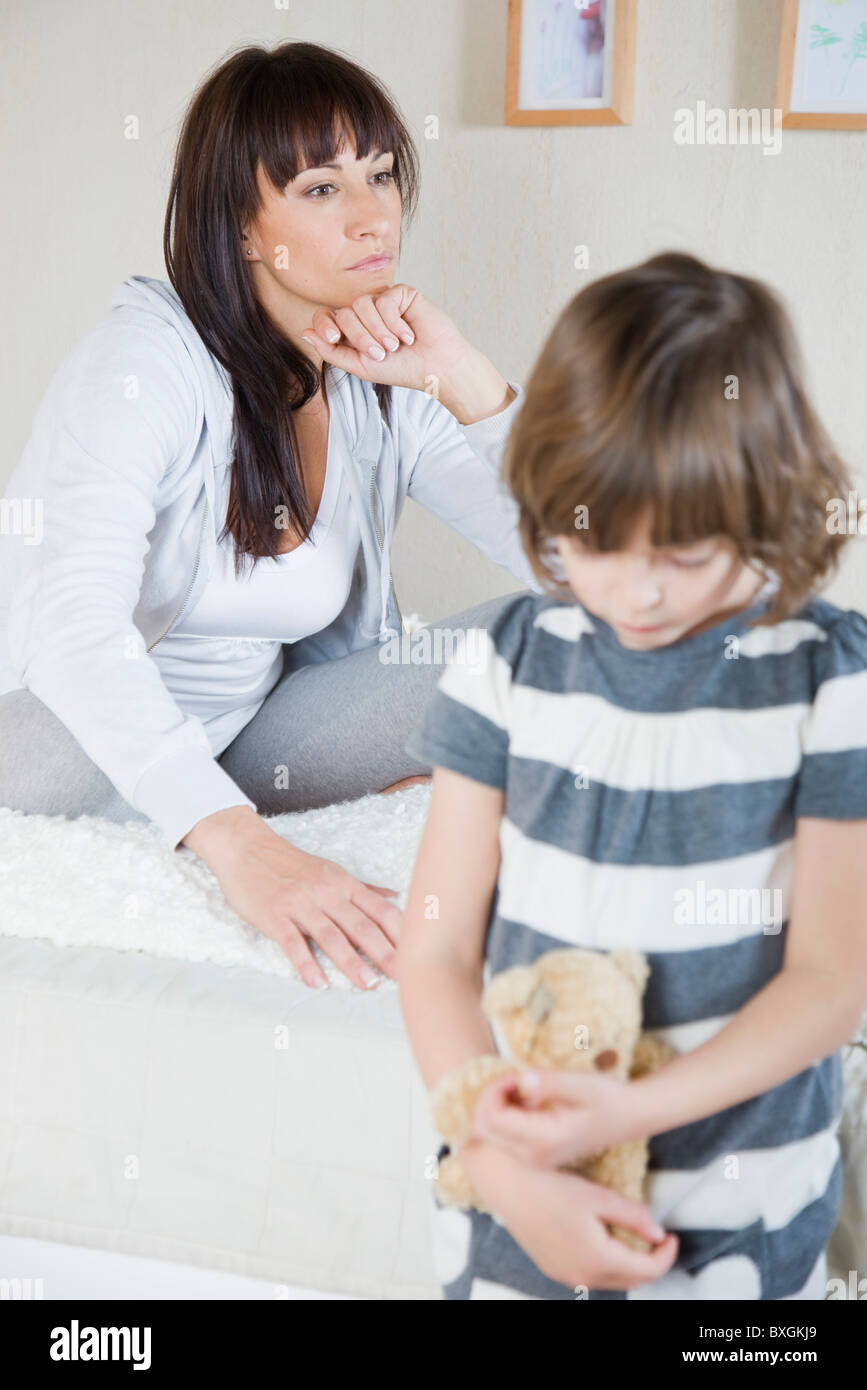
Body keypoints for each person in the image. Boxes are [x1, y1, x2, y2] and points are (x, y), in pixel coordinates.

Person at [0, 41, 544, 991]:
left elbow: (597, 570)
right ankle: (185, 819)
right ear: (244, 227)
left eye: (380, 176)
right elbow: (73, 630)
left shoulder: (387, 372)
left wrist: (468, 382)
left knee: (556, 632)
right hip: (56, 731)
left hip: (251, 739)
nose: (374, 215)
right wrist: (243, 849)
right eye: (322, 189)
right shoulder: (143, 366)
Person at [397, 250, 867, 1299]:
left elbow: (835, 979)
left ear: (767, 502)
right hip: (516, 1212)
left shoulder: (827, 679)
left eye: (686, 551)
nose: (637, 591)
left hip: (741, 1226)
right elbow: (432, 949)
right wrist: (507, 1171)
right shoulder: (508, 662)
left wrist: (632, 1114)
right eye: (595, 543)